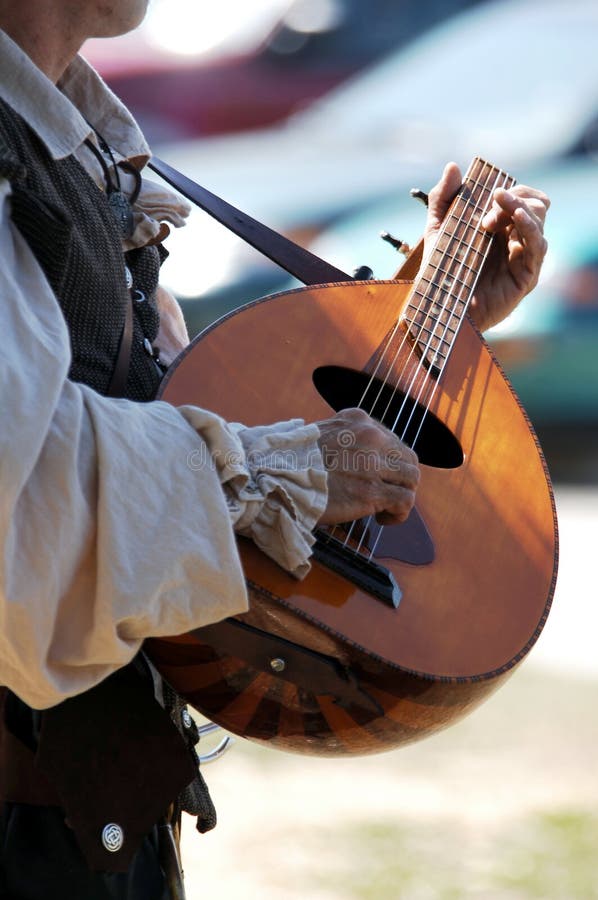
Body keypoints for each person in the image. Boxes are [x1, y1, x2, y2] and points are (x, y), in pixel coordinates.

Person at [0, 1, 549, 898]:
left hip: (93, 822)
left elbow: (160, 402)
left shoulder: (70, 135)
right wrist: (280, 470)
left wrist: (422, 323)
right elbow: (21, 491)